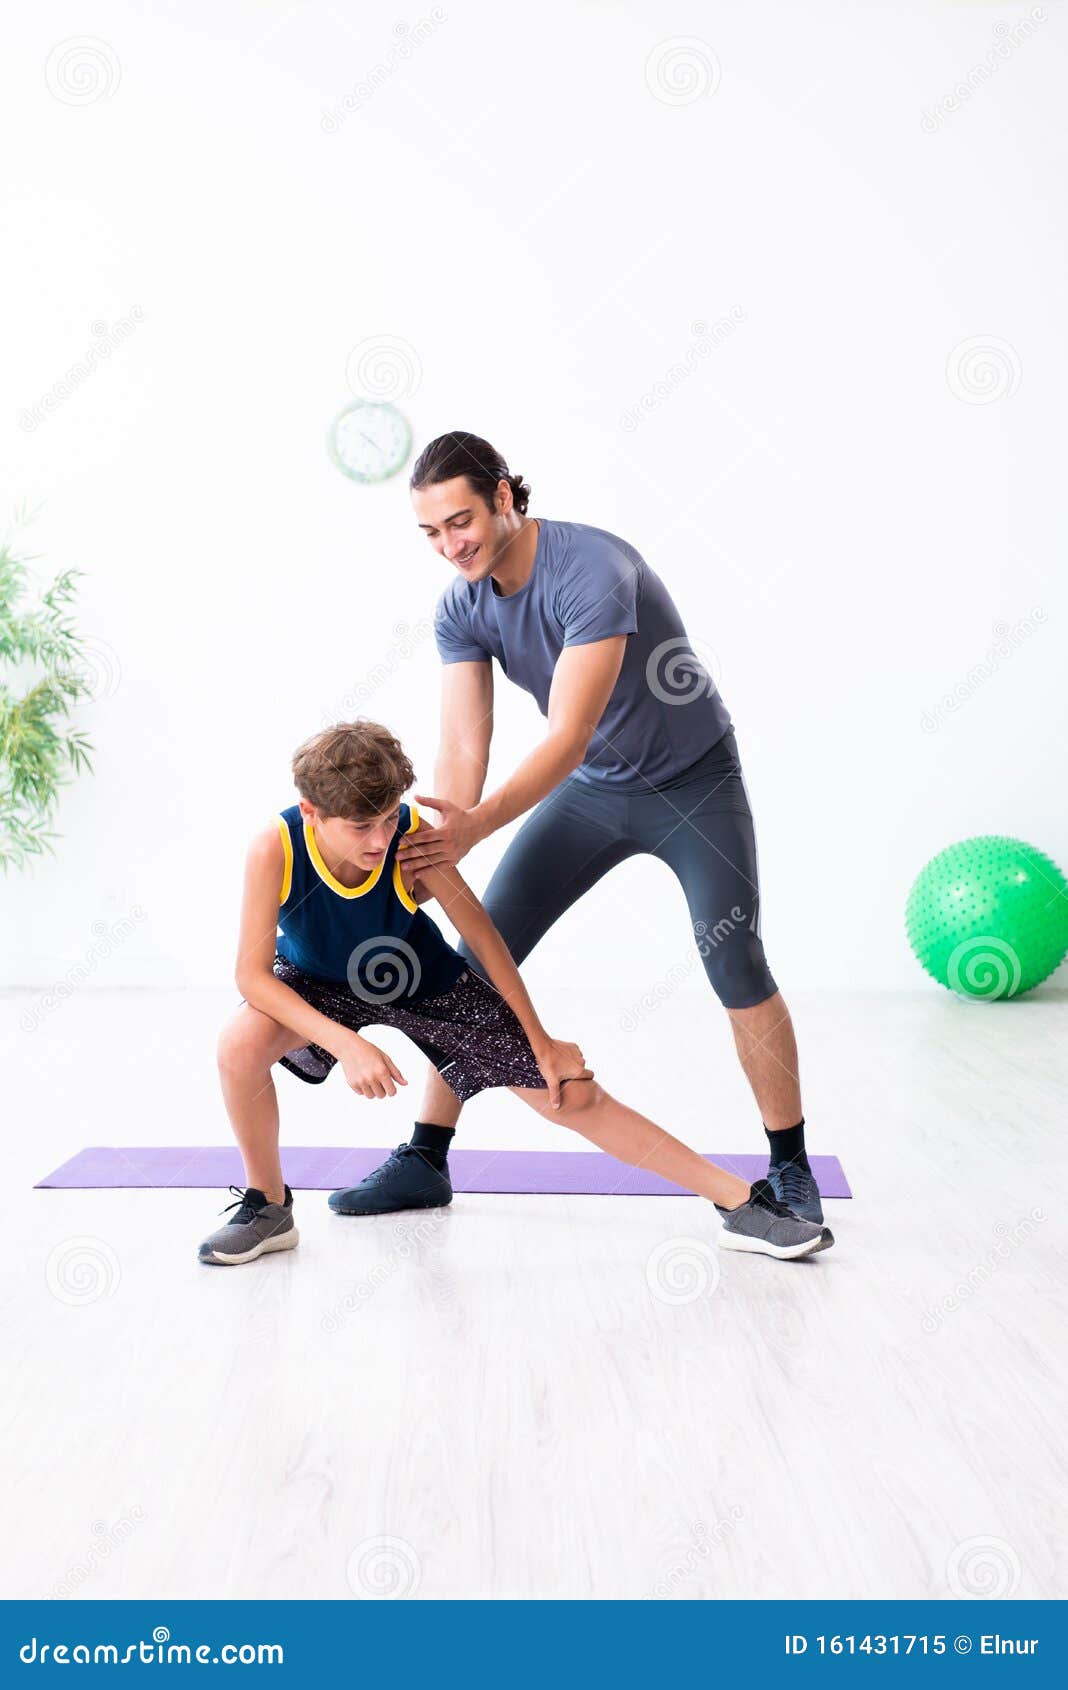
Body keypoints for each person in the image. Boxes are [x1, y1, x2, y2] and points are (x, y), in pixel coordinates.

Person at [348, 431, 824, 1224]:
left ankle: (792, 1165)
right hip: (593, 794)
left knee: (735, 958)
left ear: (504, 495)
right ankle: (426, 1157)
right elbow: (465, 745)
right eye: (431, 533)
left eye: (459, 521)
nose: (449, 546)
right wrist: (442, 838)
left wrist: (475, 830)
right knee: (470, 964)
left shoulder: (595, 569)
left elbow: (568, 733)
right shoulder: (461, 608)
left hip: (692, 783)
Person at [199, 720, 834, 1266]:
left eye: (388, 817)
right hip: (316, 984)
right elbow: (251, 976)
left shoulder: (408, 837)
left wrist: (542, 1040)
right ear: (311, 812)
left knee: (570, 1094)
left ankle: (742, 1203)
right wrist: (343, 1043)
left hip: (424, 981)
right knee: (238, 1045)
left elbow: (482, 935)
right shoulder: (274, 848)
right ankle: (269, 1206)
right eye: (362, 825)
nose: (379, 838)